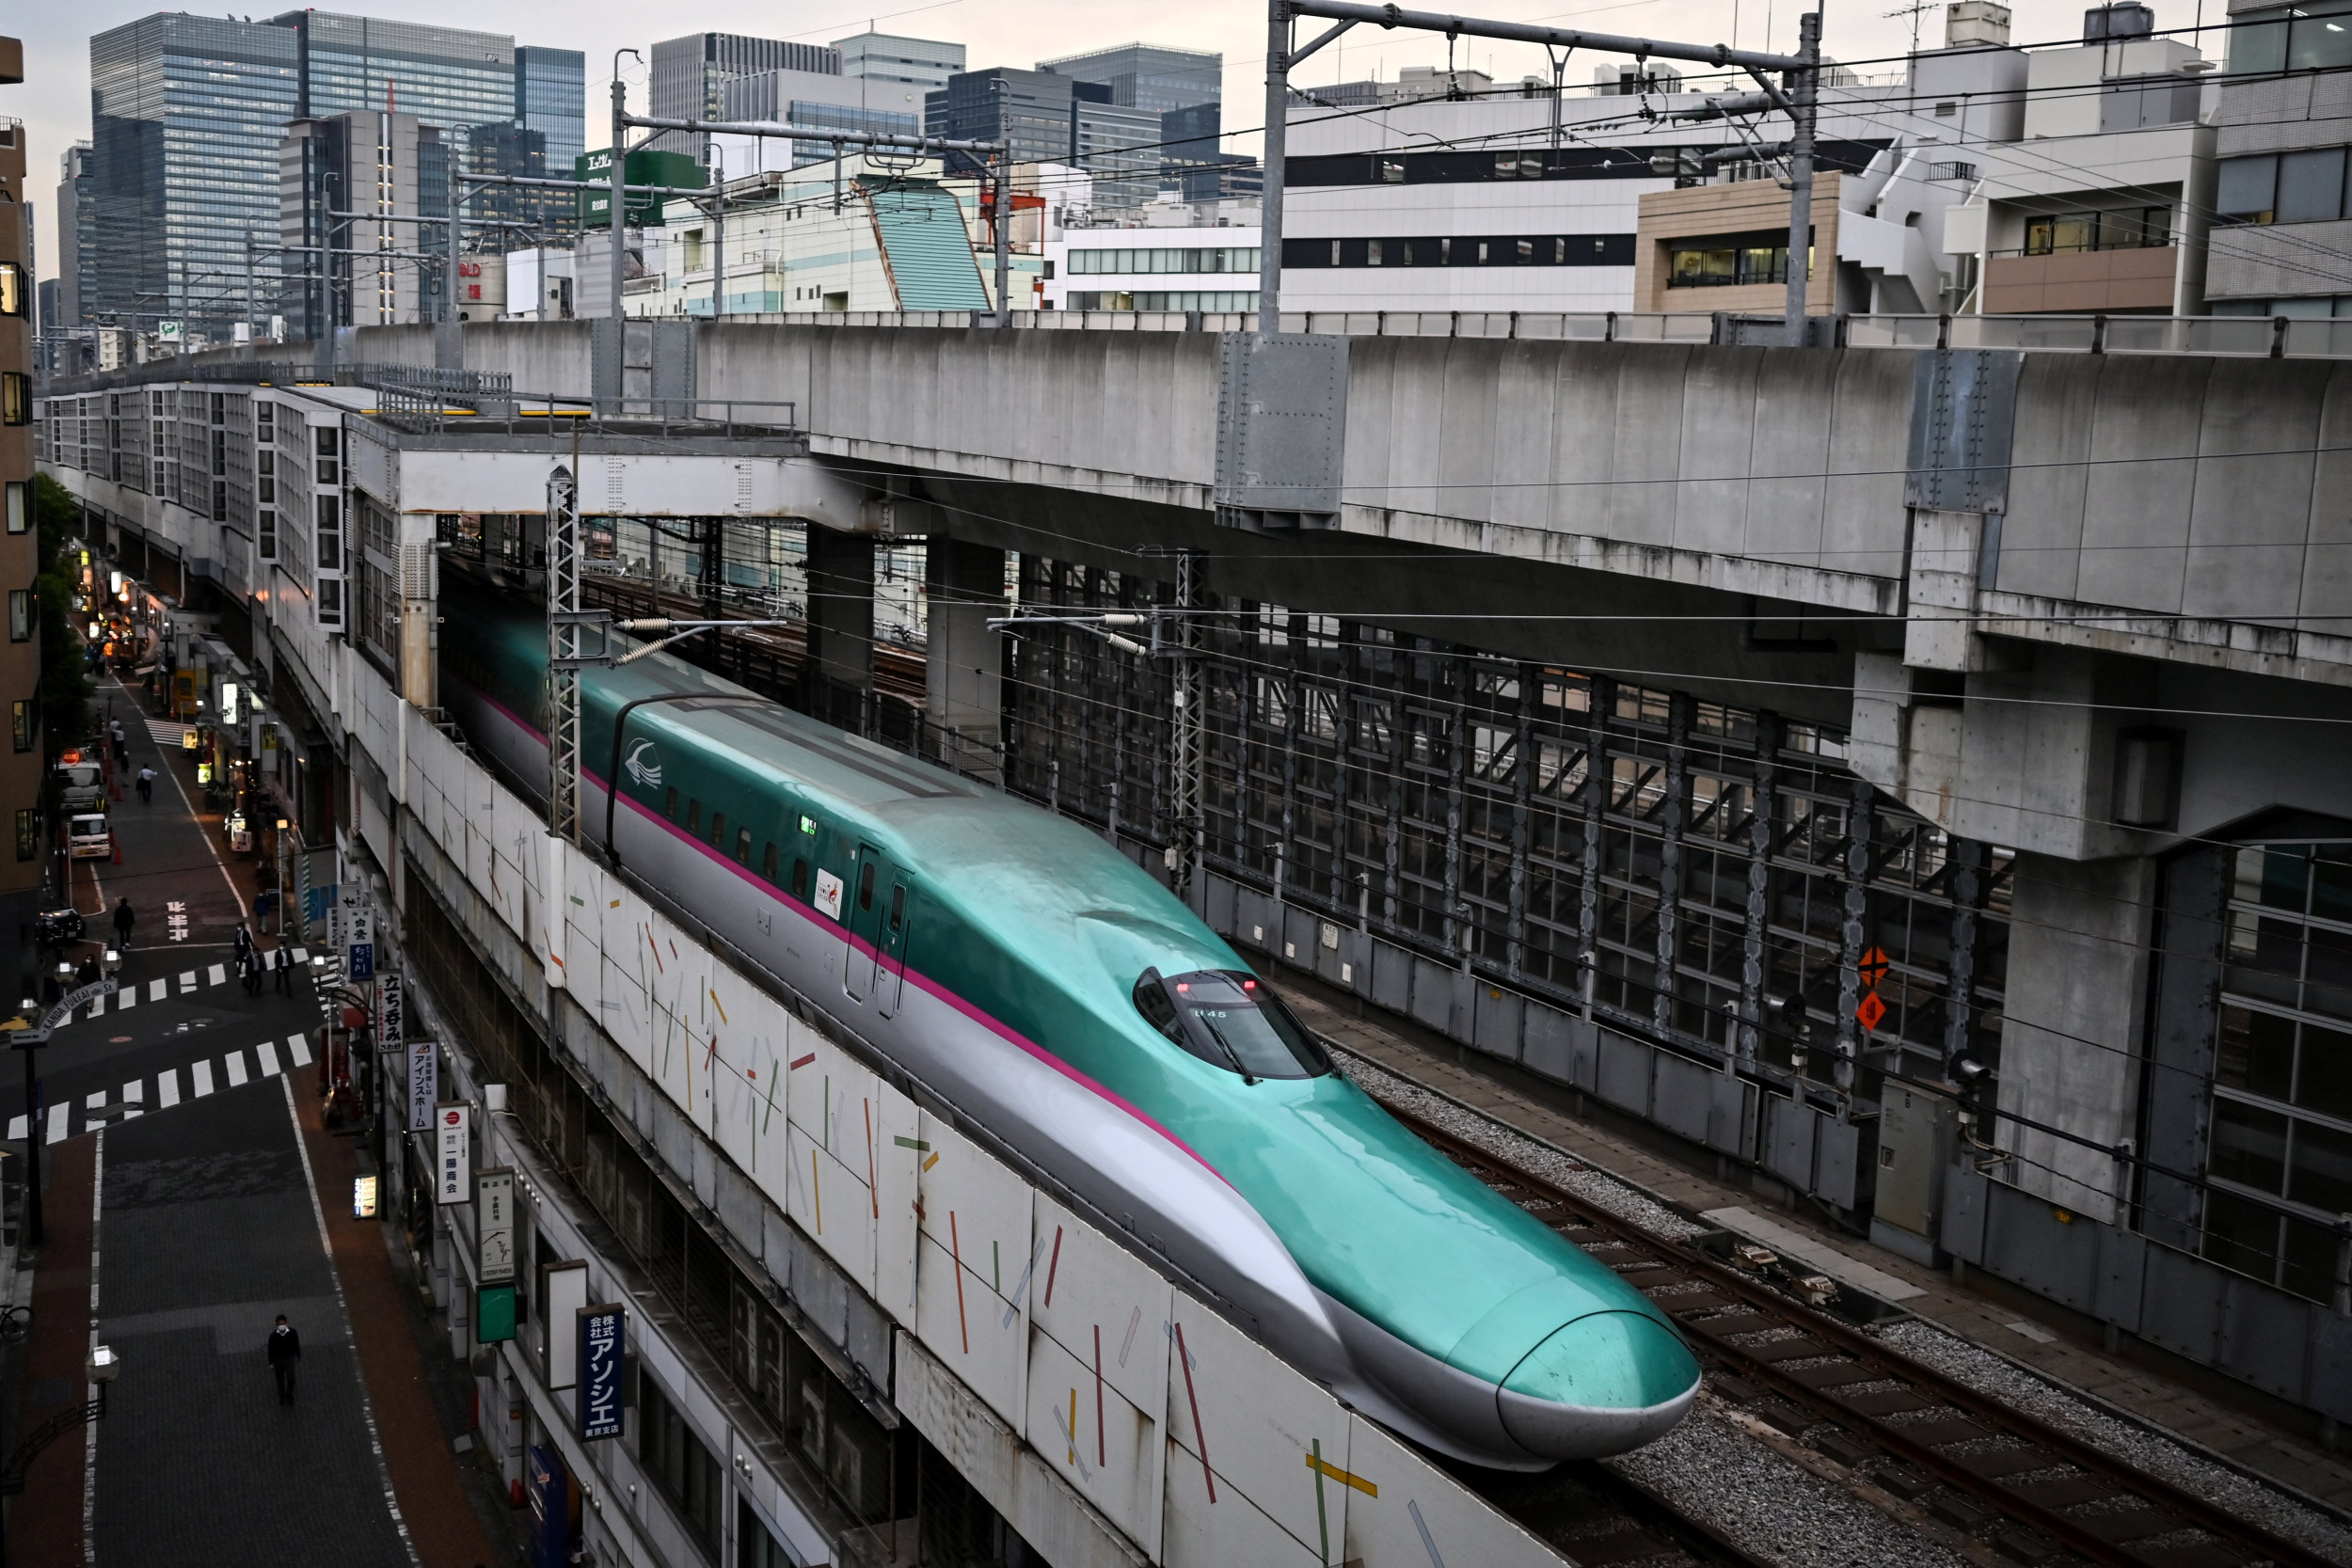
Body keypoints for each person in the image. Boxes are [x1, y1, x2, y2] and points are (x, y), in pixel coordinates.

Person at [266, 1315, 301, 1404]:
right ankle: (282, 1396)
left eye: (283, 1323)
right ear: (277, 1325)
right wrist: (271, 1363)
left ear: (286, 1323)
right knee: (279, 1378)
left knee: (291, 1377)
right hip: (278, 1360)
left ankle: (289, 1394)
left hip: (289, 1358)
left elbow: (296, 1344)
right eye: (280, 1324)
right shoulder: (273, 1336)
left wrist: (298, 1355)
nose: (282, 1326)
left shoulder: (292, 1332)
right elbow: (270, 1350)